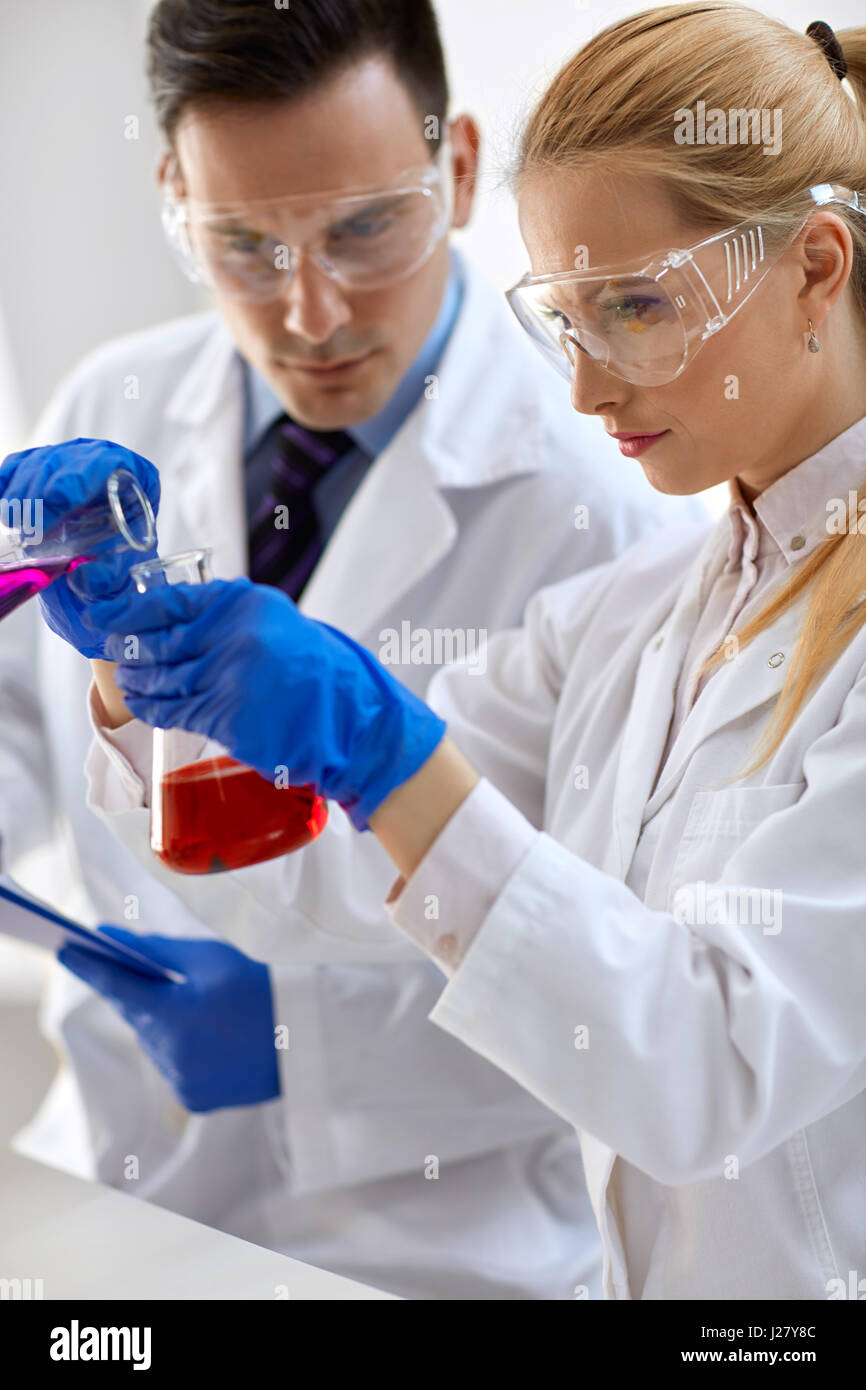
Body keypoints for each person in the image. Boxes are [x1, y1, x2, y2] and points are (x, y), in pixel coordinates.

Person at [33, 1, 866, 1300]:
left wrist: (391, 750)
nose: (586, 388)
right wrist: (127, 664)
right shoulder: (641, 614)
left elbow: (709, 1064)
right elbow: (328, 881)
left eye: (636, 307)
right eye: (569, 319)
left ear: (814, 267)